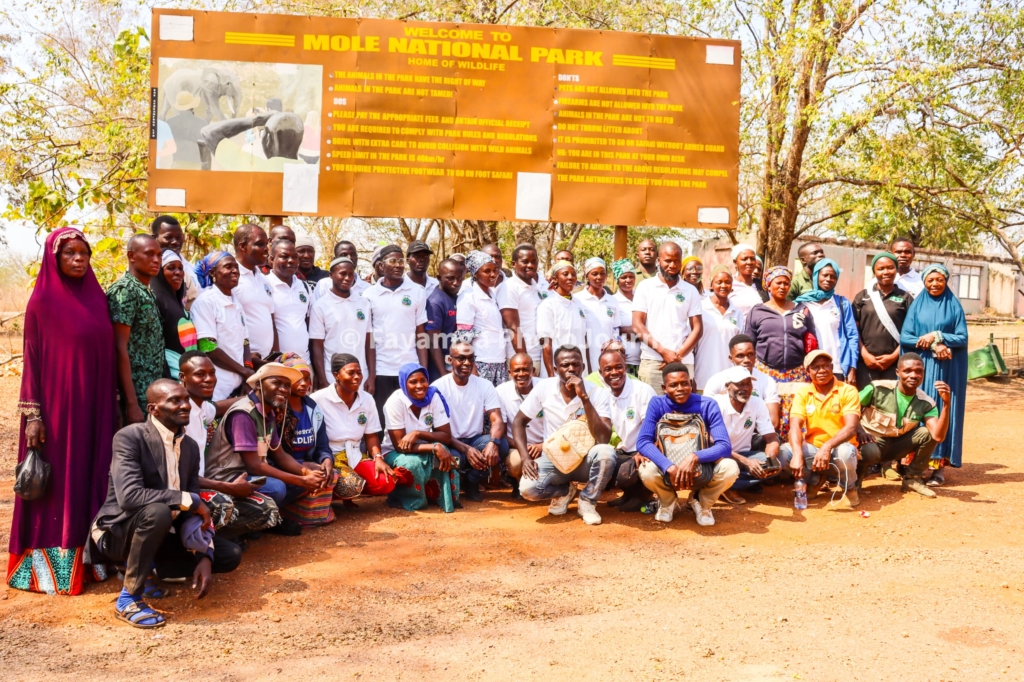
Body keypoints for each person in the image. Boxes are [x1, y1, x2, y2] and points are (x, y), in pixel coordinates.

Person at [7, 228, 118, 596]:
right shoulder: (42, 303)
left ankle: (92, 562)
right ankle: (47, 570)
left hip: (95, 409)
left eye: (83, 253)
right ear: (55, 259)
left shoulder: (97, 298)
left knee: (92, 476)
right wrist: (33, 415)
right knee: (57, 485)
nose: (78, 259)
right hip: (56, 413)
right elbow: (32, 362)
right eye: (70, 253)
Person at [86, 380, 241, 628]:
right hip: (118, 533)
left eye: (185, 400)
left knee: (228, 556)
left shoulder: (188, 446)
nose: (185, 406)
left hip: (162, 533)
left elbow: (192, 506)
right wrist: (187, 499)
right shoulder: (130, 437)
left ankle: (151, 569)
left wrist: (204, 553)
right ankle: (129, 598)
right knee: (158, 512)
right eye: (174, 401)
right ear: (153, 409)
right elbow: (129, 497)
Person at [204, 362, 327, 536]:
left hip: (250, 474)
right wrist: (301, 480)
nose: (283, 389)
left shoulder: (268, 411)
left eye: (286, 385)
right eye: (276, 383)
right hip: (227, 477)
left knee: (303, 477)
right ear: (259, 385)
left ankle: (265, 518)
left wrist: (306, 473)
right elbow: (254, 466)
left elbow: (280, 455)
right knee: (277, 488)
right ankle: (235, 529)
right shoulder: (243, 414)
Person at [177, 351, 281, 538]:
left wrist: (260, 395)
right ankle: (193, 543)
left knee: (267, 509)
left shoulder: (200, 407)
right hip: (185, 490)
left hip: (203, 483)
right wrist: (226, 487)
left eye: (212, 373)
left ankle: (222, 538)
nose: (209, 379)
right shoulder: (180, 414)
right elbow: (180, 475)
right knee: (226, 504)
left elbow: (217, 407)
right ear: (182, 377)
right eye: (200, 374)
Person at [513, 345, 615, 525]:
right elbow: (518, 422)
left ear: (583, 367)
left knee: (606, 452)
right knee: (528, 489)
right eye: (565, 365)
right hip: (554, 460)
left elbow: (603, 438)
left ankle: (588, 501)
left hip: (584, 460)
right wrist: (525, 458)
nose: (571, 369)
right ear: (554, 369)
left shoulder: (597, 392)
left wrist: (584, 398)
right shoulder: (544, 387)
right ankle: (565, 491)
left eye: (575, 364)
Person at [635, 363, 738, 525]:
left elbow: (725, 446)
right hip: (668, 472)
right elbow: (642, 441)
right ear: (664, 387)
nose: (680, 388)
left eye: (684, 383)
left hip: (700, 469)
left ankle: (701, 502)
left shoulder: (708, 404)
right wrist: (668, 466)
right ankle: (668, 501)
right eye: (673, 385)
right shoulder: (657, 403)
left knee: (730, 468)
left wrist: (695, 457)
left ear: (691, 384)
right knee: (646, 470)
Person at [899, 264, 967, 485]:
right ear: (924, 282)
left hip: (947, 368)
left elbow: (962, 337)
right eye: (930, 280)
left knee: (944, 410)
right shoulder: (917, 306)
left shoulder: (954, 306)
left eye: (939, 280)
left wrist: (937, 335)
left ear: (946, 281)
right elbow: (906, 337)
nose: (935, 284)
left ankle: (939, 468)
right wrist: (932, 345)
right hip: (922, 368)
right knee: (919, 410)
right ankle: (915, 464)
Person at [858, 353, 951, 498]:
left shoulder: (926, 402)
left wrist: (946, 404)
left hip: (898, 446)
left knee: (927, 433)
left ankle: (912, 479)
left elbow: (938, 436)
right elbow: (850, 410)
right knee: (868, 451)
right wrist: (858, 430)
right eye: (907, 371)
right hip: (871, 442)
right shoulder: (877, 388)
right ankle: (855, 482)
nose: (913, 375)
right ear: (898, 372)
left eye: (918, 371)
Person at [779, 350, 861, 507]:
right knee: (784, 453)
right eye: (816, 367)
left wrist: (827, 446)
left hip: (839, 448)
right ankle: (814, 480)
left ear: (831, 367)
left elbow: (851, 427)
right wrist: (797, 454)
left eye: (825, 366)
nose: (822, 370)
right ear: (807, 371)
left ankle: (849, 488)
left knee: (846, 453)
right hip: (813, 449)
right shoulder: (803, 393)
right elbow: (795, 425)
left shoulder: (848, 390)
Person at [310, 353, 395, 502]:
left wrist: (378, 458)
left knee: (386, 481)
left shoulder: (367, 399)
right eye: (351, 373)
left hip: (355, 453)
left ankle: (354, 490)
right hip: (329, 456)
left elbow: (371, 436)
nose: (357, 377)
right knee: (350, 485)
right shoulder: (318, 399)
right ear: (336, 375)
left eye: (359, 373)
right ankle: (332, 498)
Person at [744, 266, 817, 439]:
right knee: (768, 418)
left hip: (797, 373)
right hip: (766, 371)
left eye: (786, 283)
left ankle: (793, 454)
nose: (783, 286)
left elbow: (812, 342)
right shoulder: (758, 311)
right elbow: (749, 343)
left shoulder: (802, 310)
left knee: (796, 417)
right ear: (768, 285)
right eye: (778, 283)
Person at [432, 341, 509, 502]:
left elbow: (497, 420)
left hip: (475, 440)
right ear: (449, 360)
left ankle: (472, 481)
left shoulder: (484, 385)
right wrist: (466, 450)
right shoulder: (438, 387)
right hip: (450, 442)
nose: (467, 363)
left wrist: (493, 443)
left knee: (500, 445)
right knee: (451, 458)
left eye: (470, 358)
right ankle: (455, 482)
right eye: (461, 358)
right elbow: (435, 430)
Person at [362, 244, 430, 427]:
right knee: (383, 422)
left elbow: (420, 334)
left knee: (410, 421)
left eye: (401, 261)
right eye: (393, 261)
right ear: (381, 266)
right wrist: (371, 375)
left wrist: (423, 370)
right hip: (382, 370)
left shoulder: (417, 291)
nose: (399, 265)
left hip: (409, 368)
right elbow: (369, 339)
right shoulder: (368, 295)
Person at [380, 363, 461, 512]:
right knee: (412, 464)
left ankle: (436, 497)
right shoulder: (394, 402)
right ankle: (403, 498)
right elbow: (400, 445)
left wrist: (418, 433)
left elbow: (446, 436)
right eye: (413, 382)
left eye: (423, 380)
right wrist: (434, 447)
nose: (420, 386)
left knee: (449, 457)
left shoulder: (433, 397)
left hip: (423, 447)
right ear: (404, 383)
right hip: (395, 453)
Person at [631, 241, 703, 394]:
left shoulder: (690, 291)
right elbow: (637, 325)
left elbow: (697, 328)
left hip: (683, 361)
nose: (672, 264)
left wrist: (678, 356)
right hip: (653, 362)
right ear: (658, 260)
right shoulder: (645, 287)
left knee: (682, 414)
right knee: (651, 410)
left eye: (676, 260)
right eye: (667, 260)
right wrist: (664, 352)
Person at [107, 234, 164, 424]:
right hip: (135, 393)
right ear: (131, 256)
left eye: (159, 255)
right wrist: (131, 403)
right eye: (149, 254)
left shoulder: (146, 290)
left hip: (151, 391)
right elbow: (118, 347)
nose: (156, 260)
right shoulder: (125, 291)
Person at [275, 353, 337, 525]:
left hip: (308, 467)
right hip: (283, 470)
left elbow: (322, 446)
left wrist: (326, 460)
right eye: (298, 379)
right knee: (279, 486)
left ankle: (301, 511)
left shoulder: (313, 408)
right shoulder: (276, 410)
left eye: (308, 379)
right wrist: (302, 467)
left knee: (332, 474)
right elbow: (272, 455)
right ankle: (285, 511)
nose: (305, 384)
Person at [595, 347, 657, 512]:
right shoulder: (604, 394)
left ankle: (643, 495)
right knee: (605, 465)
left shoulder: (641, 390)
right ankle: (629, 495)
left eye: (619, 367)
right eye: (608, 369)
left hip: (647, 448)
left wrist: (644, 450)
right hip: (626, 449)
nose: (614, 372)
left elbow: (651, 425)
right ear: (601, 373)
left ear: (626, 368)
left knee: (625, 473)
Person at [712, 367, 780, 505]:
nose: (745, 388)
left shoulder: (757, 402)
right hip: (717, 457)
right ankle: (722, 484)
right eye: (739, 384)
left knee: (776, 466)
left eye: (748, 383)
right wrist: (746, 462)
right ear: (727, 386)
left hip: (743, 454)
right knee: (727, 466)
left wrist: (771, 457)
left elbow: (771, 438)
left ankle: (726, 485)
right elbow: (711, 444)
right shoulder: (716, 404)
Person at [190, 252, 252, 400]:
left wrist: (247, 373)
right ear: (212, 273)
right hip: (218, 389)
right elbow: (208, 348)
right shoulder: (205, 303)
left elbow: (245, 341)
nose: (235, 271)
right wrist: (244, 372)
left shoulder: (236, 303)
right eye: (228, 267)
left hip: (239, 385)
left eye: (236, 267)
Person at [309, 255, 375, 391]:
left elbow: (370, 342)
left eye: (351, 274)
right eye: (343, 273)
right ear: (331, 275)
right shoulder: (320, 306)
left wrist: (372, 376)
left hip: (360, 376)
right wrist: (322, 378)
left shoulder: (363, 303)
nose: (348, 278)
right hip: (332, 376)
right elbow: (316, 347)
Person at [794, 258, 859, 384]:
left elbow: (852, 337)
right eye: (825, 275)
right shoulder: (801, 303)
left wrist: (852, 368)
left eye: (833, 276)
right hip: (809, 367)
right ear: (816, 276)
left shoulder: (842, 303)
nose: (828, 279)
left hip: (836, 367)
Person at [853, 252, 911, 387]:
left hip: (895, 363)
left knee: (891, 404)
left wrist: (893, 357)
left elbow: (911, 331)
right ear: (874, 271)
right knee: (866, 402)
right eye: (881, 269)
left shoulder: (906, 298)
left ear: (896, 270)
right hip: (866, 363)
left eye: (890, 267)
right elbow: (854, 329)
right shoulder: (862, 297)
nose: (886, 272)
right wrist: (865, 354)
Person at [702, 334, 781, 431]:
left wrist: (745, 431)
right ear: (731, 358)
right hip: (723, 435)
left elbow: (774, 423)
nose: (746, 360)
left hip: (756, 434)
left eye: (750, 354)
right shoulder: (717, 380)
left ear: (755, 356)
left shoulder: (767, 381)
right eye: (740, 356)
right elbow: (705, 417)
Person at [496, 353, 545, 498]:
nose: (521, 374)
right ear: (509, 372)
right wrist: (524, 448)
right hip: (516, 447)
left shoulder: (545, 388)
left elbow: (558, 425)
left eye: (525, 369)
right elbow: (502, 433)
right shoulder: (501, 392)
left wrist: (542, 445)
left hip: (545, 445)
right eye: (516, 370)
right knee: (516, 463)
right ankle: (516, 482)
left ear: (533, 371)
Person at [456, 251, 508, 386]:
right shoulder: (468, 298)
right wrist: (473, 371)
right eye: (487, 271)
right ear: (475, 274)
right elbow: (463, 339)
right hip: (481, 363)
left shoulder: (494, 294)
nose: (493, 274)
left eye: (495, 270)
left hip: (499, 361)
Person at [576, 257, 631, 374]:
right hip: (585, 354)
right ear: (587, 276)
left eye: (602, 273)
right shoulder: (578, 299)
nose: (599, 277)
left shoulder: (612, 301)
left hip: (608, 356)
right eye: (594, 274)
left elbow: (616, 329)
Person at [231, 224, 278, 360]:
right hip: (241, 361)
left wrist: (274, 356)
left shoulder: (264, 280)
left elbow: (271, 320)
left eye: (266, 243)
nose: (266, 249)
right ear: (242, 246)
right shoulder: (229, 278)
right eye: (260, 244)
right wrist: (246, 358)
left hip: (265, 360)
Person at [536, 260, 591, 376]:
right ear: (555, 279)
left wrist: (588, 371)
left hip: (579, 370)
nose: (570, 277)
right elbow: (546, 344)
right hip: (558, 372)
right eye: (565, 274)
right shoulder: (548, 305)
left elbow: (584, 339)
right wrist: (551, 376)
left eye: (573, 274)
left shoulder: (579, 304)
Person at [694, 266, 743, 391]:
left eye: (728, 282)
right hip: (702, 376)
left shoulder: (737, 313)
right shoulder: (700, 308)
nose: (723, 285)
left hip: (728, 378)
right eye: (719, 282)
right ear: (711, 284)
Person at [500, 244, 548, 371]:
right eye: (525, 261)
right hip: (520, 360)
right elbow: (513, 328)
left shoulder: (537, 287)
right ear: (514, 264)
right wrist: (525, 361)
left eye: (534, 262)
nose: (530, 265)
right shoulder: (509, 287)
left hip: (540, 356)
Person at [151, 250, 198, 377]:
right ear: (160, 273)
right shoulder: (157, 300)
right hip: (172, 373)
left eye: (180, 268)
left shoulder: (178, 301)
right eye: (171, 268)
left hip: (188, 369)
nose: (177, 272)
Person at [265, 239, 312, 362]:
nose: (291, 261)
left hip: (304, 362)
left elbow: (309, 324)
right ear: (271, 260)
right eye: (284, 256)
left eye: (294, 257)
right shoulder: (263, 285)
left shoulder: (304, 287)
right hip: (277, 364)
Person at [425, 258, 463, 380]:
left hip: (455, 364)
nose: (456, 282)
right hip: (440, 368)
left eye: (459, 278)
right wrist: (443, 375)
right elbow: (432, 342)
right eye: (450, 278)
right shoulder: (435, 302)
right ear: (439, 278)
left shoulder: (456, 297)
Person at [151, 215, 201, 307]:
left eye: (179, 237)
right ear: (154, 238)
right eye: (168, 237)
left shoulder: (192, 272)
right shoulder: (143, 272)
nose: (175, 242)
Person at [610, 259, 641, 374]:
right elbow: (610, 327)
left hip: (645, 359)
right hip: (625, 360)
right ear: (617, 279)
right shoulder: (613, 301)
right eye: (624, 277)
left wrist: (636, 332)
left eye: (631, 276)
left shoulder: (641, 298)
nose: (628, 280)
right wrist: (624, 329)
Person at [729, 244, 765, 320]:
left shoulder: (762, 286)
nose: (749, 262)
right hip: (736, 330)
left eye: (752, 259)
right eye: (744, 259)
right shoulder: (729, 284)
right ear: (735, 262)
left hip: (757, 330)